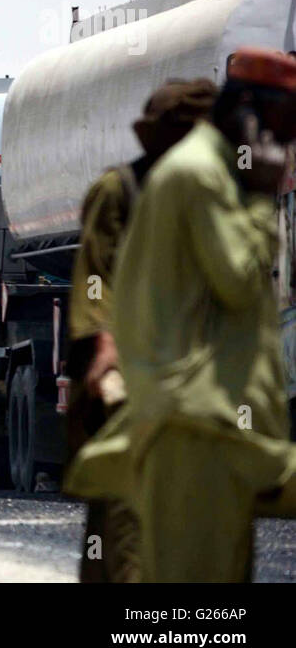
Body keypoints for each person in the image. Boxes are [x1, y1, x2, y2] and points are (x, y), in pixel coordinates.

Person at [66, 48, 296, 582]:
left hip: (197, 402)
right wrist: (108, 359)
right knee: (128, 547)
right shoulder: (130, 189)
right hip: (146, 397)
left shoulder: (207, 187)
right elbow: (96, 285)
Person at [65, 78, 216, 583]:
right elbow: (93, 278)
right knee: (125, 512)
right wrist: (105, 343)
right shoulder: (119, 190)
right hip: (129, 376)